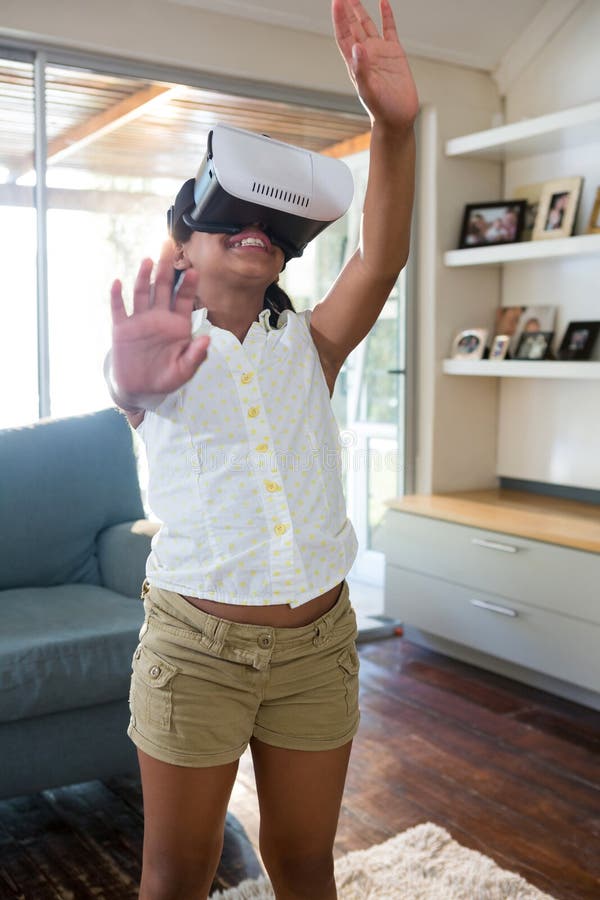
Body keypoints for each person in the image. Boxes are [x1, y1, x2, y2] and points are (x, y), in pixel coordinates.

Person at [107, 1, 418, 897]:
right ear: (185, 245)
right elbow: (129, 388)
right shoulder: (160, 353)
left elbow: (382, 257)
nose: (255, 230)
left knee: (303, 860)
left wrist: (393, 128)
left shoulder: (311, 347)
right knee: (177, 872)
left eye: (271, 227)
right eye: (225, 218)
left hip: (319, 645)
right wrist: (130, 379)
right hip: (195, 650)